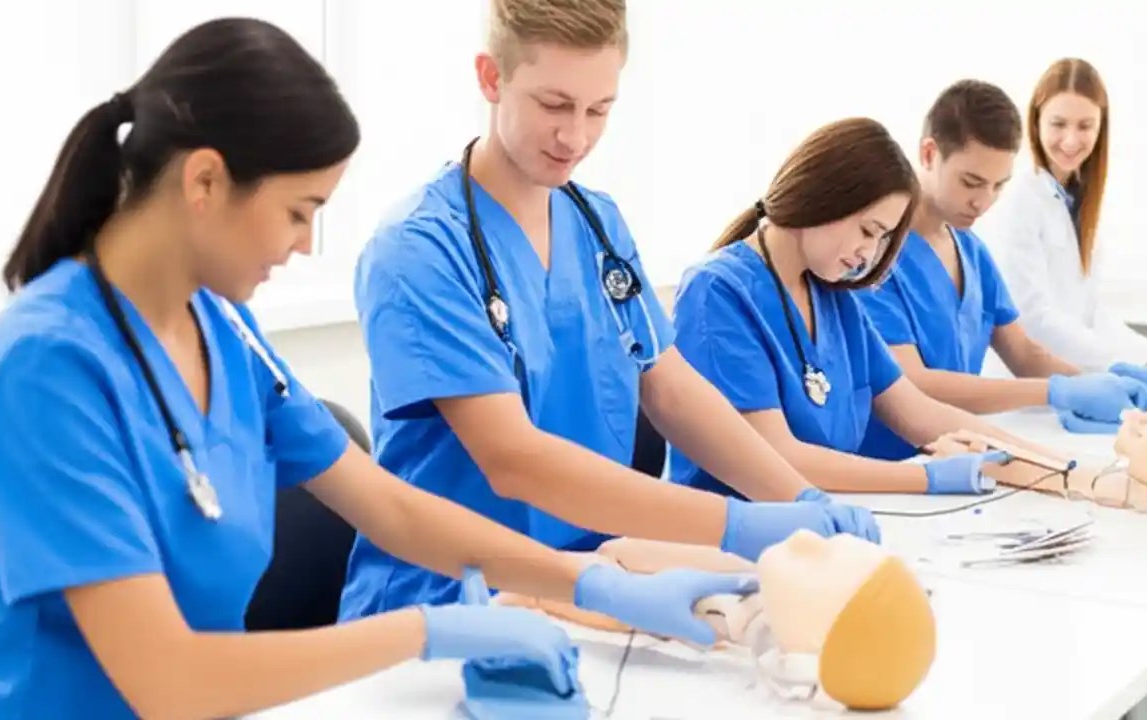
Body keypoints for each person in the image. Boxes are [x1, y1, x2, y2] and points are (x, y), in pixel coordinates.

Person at [0, 18, 762, 719]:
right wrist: (423, 630)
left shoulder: (223, 331)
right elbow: (165, 679)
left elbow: (390, 506)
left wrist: (585, 583)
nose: (306, 246)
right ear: (204, 180)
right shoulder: (49, 365)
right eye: (298, 212)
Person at [344, 0, 876, 619]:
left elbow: (671, 390)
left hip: (595, 570)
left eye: (599, 110)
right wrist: (737, 523)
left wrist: (801, 501)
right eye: (554, 105)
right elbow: (515, 461)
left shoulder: (597, 224)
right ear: (491, 78)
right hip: (451, 597)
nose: (576, 137)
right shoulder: (419, 248)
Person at [667, 117, 1146, 505]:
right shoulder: (719, 292)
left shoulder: (835, 298)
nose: (869, 254)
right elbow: (776, 456)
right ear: (821, 199)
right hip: (732, 543)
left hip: (826, 526)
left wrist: (1066, 472)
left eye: (882, 238)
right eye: (868, 230)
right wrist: (929, 478)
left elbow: (923, 414)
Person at [855, 79, 1147, 461]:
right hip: (886, 468)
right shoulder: (873, 253)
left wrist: (1101, 382)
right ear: (929, 154)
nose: (984, 202)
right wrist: (1055, 391)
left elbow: (1023, 352)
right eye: (971, 182)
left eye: (999, 186)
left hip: (955, 457)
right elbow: (911, 385)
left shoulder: (970, 250)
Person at [975, 58, 1147, 394]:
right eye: (1058, 123)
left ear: (1101, 128)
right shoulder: (1019, 199)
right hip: (1023, 391)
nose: (1070, 140)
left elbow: (1092, 314)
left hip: (1068, 386)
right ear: (1036, 121)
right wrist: (1129, 365)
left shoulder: (1077, 200)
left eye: (1085, 126)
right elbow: (1035, 319)